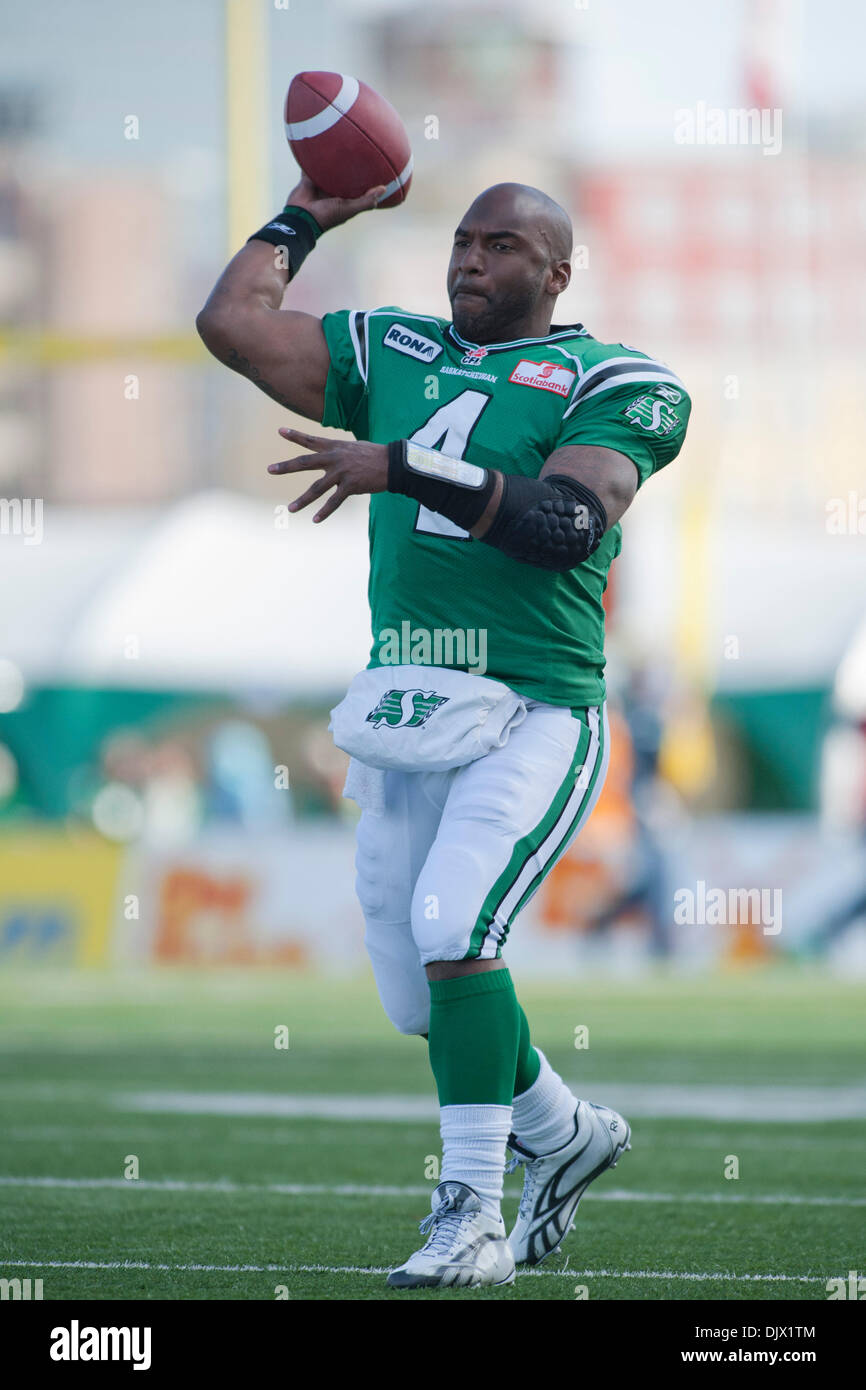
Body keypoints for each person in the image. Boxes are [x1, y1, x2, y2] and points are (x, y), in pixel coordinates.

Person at [197, 174, 691, 1289]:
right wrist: (311, 213)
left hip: (532, 706)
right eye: (461, 242)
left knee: (453, 918)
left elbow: (566, 524)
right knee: (421, 995)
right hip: (408, 706)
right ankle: (565, 1132)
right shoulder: (393, 351)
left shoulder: (613, 377)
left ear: (556, 274)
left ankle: (470, 1212)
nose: (468, 261)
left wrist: (401, 463)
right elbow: (230, 324)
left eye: (500, 246)